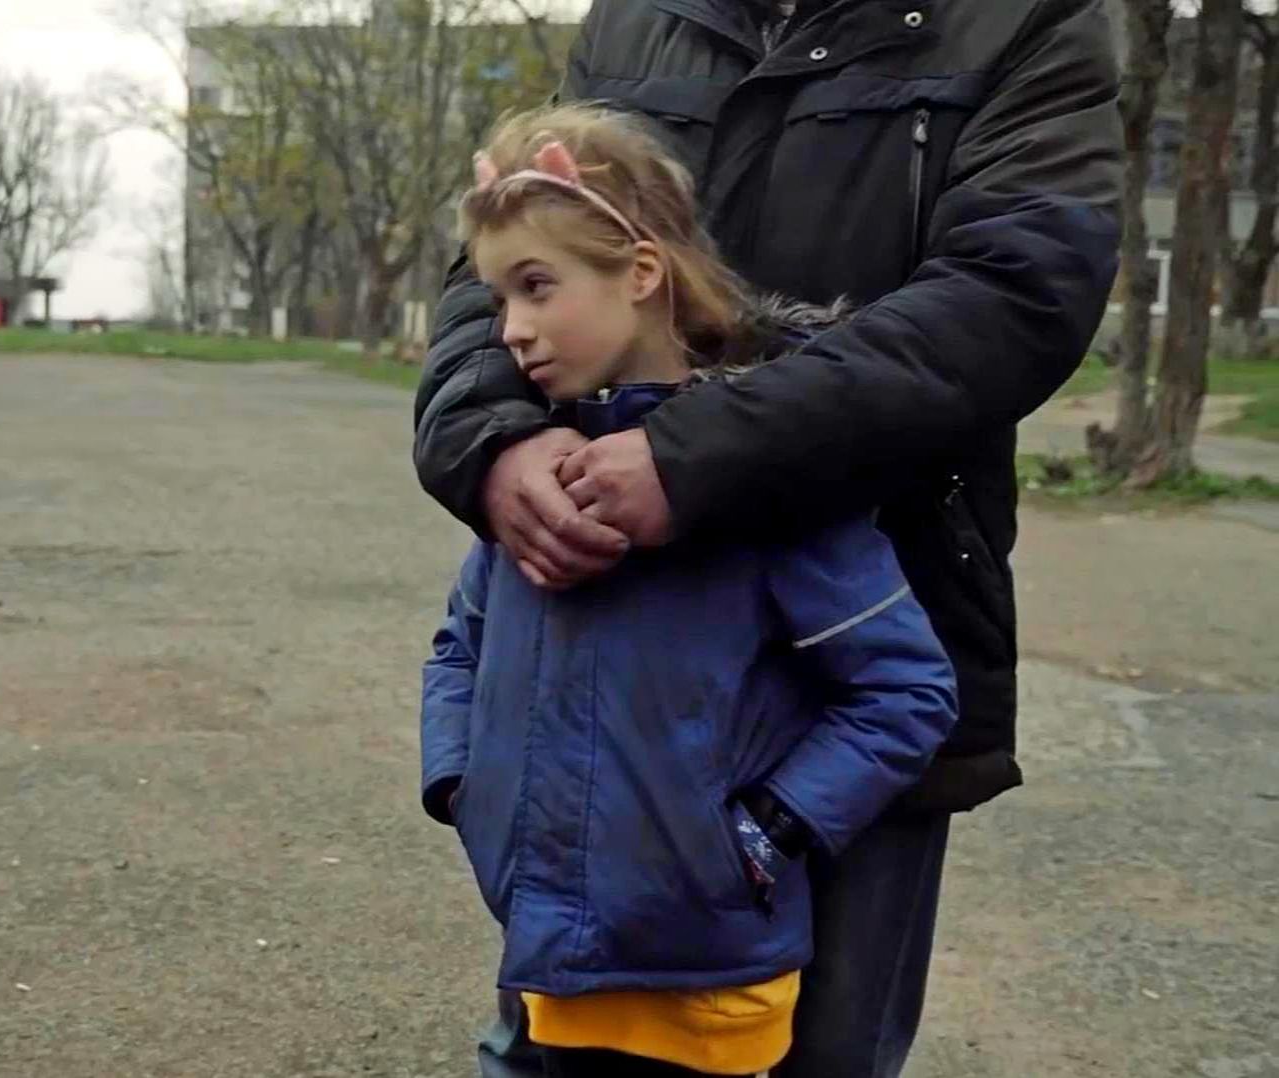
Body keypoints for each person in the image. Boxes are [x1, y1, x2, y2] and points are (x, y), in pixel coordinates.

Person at [412, 3, 1121, 1075]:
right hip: (590, 781)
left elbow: (1019, 288)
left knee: (824, 1051)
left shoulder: (1022, 17)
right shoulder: (639, 18)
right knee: (544, 1050)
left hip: (880, 570)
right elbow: (513, 253)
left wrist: (698, 456)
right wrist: (492, 440)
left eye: (533, 300)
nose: (516, 322)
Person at [421, 103, 958, 1078]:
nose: (511, 331)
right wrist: (467, 785)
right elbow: (461, 644)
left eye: (536, 286)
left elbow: (904, 691)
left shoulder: (767, 485)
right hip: (551, 960)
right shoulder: (532, 475)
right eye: (498, 298)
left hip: (708, 987)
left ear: (639, 272)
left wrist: (760, 836)